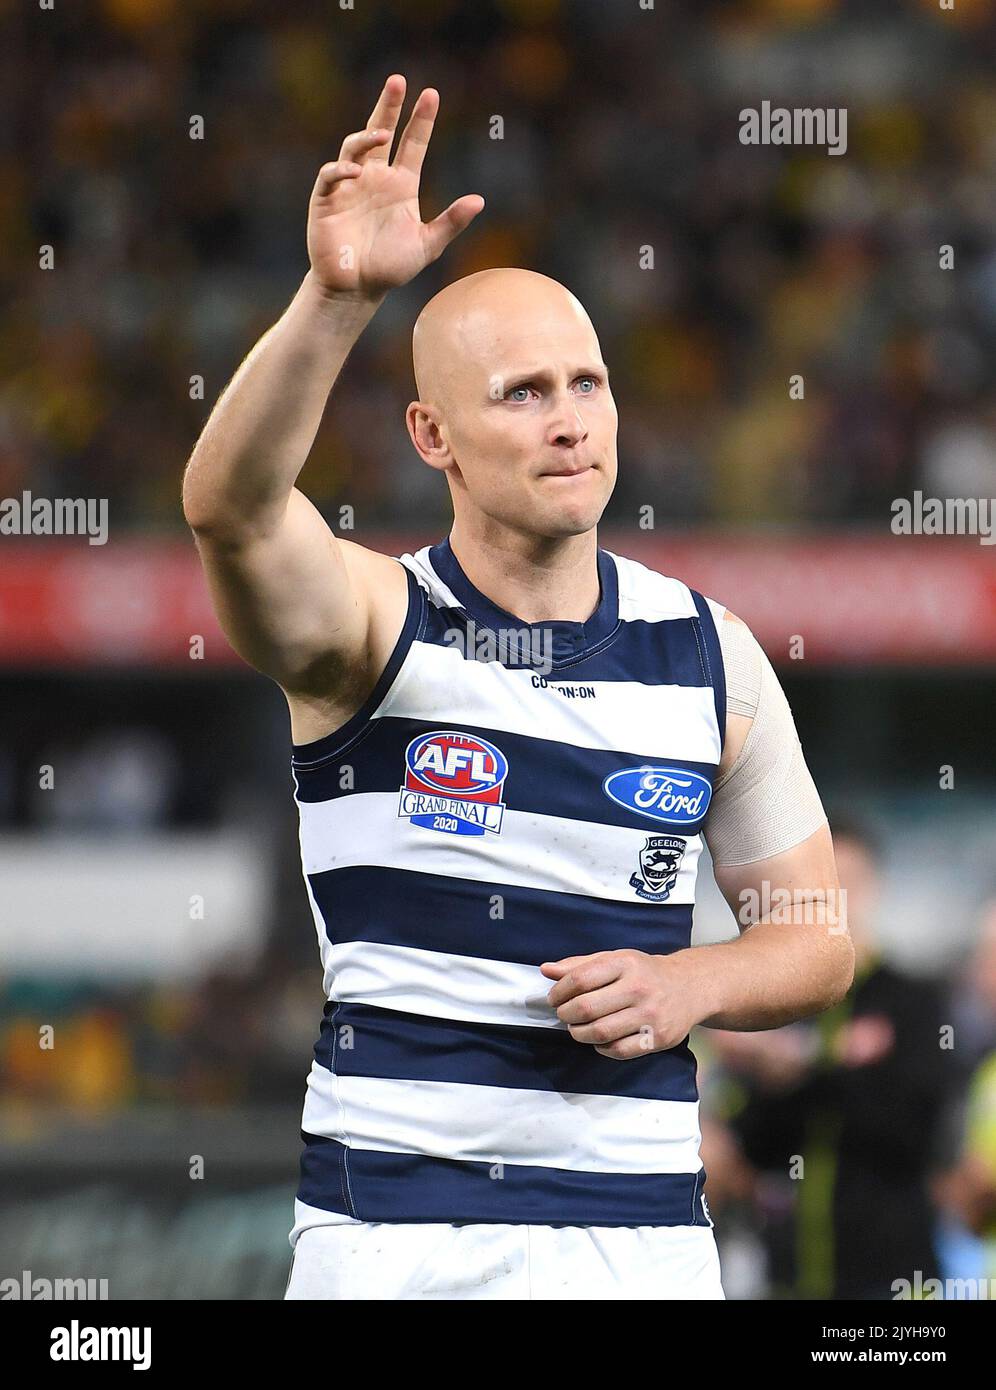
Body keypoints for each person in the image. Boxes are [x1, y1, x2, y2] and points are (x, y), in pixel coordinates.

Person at [182, 73, 853, 1300]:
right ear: (431, 436)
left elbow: (816, 940)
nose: (570, 422)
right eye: (522, 394)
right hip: (397, 1233)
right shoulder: (371, 624)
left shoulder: (712, 651)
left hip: (642, 1239)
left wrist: (690, 979)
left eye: (587, 384)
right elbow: (229, 512)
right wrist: (336, 301)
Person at [713, 815, 956, 1299]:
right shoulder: (782, 1000)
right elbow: (754, 1142)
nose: (839, 901)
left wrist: (806, 1067)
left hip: (891, 1277)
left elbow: (914, 1132)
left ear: (876, 888)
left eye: (852, 884)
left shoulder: (910, 999)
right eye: (827, 886)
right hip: (789, 1273)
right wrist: (789, 1071)